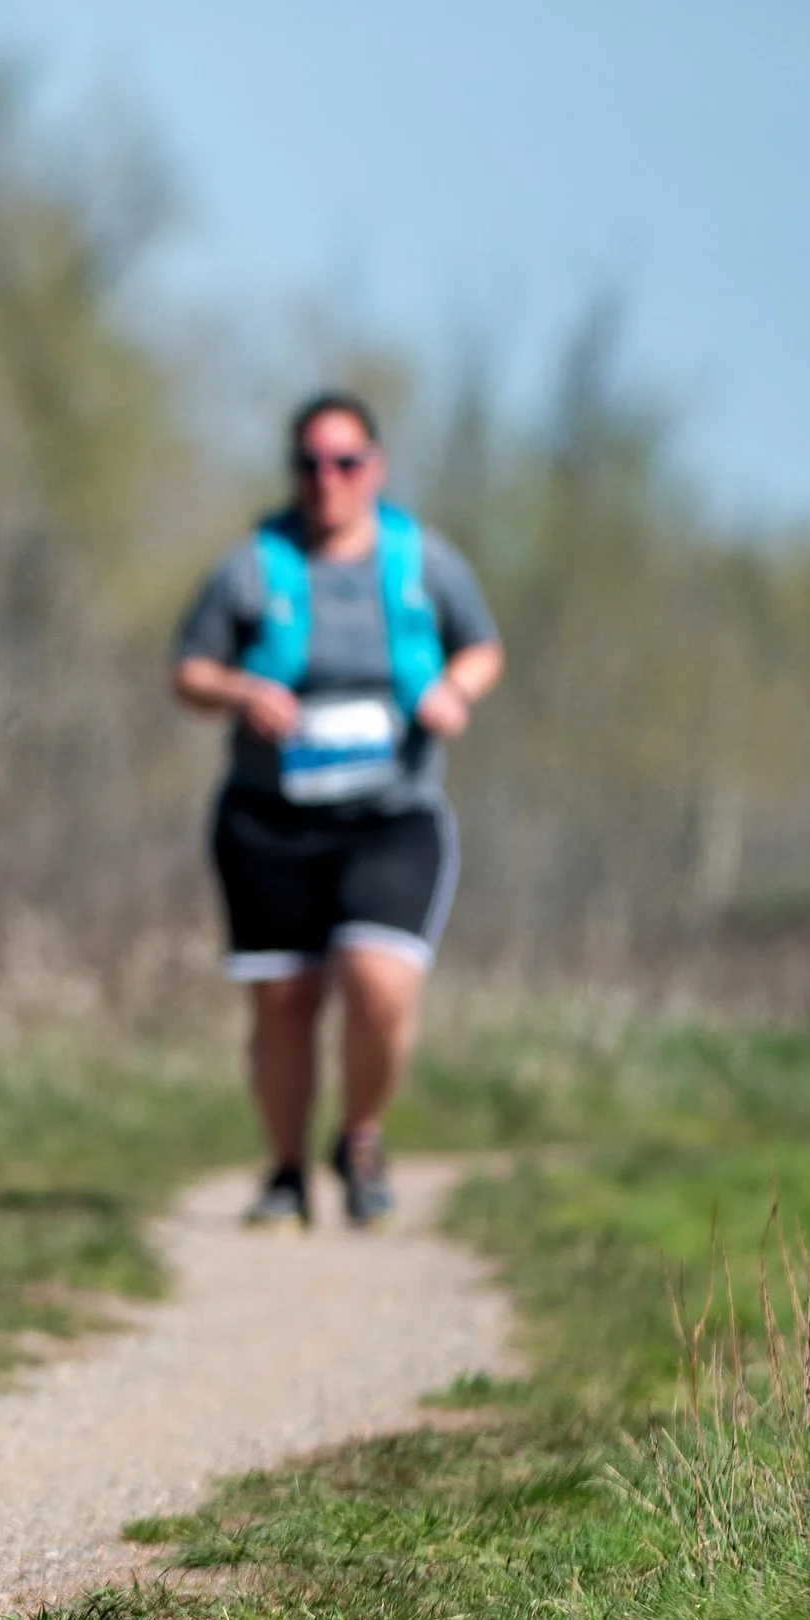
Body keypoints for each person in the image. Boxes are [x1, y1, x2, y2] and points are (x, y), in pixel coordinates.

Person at [171, 393, 501, 1229]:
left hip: (393, 814)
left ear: (375, 469)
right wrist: (242, 689)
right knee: (283, 999)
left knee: (379, 981)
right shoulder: (251, 566)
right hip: (271, 820)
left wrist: (455, 690)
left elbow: (483, 645)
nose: (329, 480)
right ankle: (285, 1173)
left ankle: (360, 1137)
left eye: (346, 463)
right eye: (312, 464)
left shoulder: (422, 560)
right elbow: (189, 671)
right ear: (294, 474)